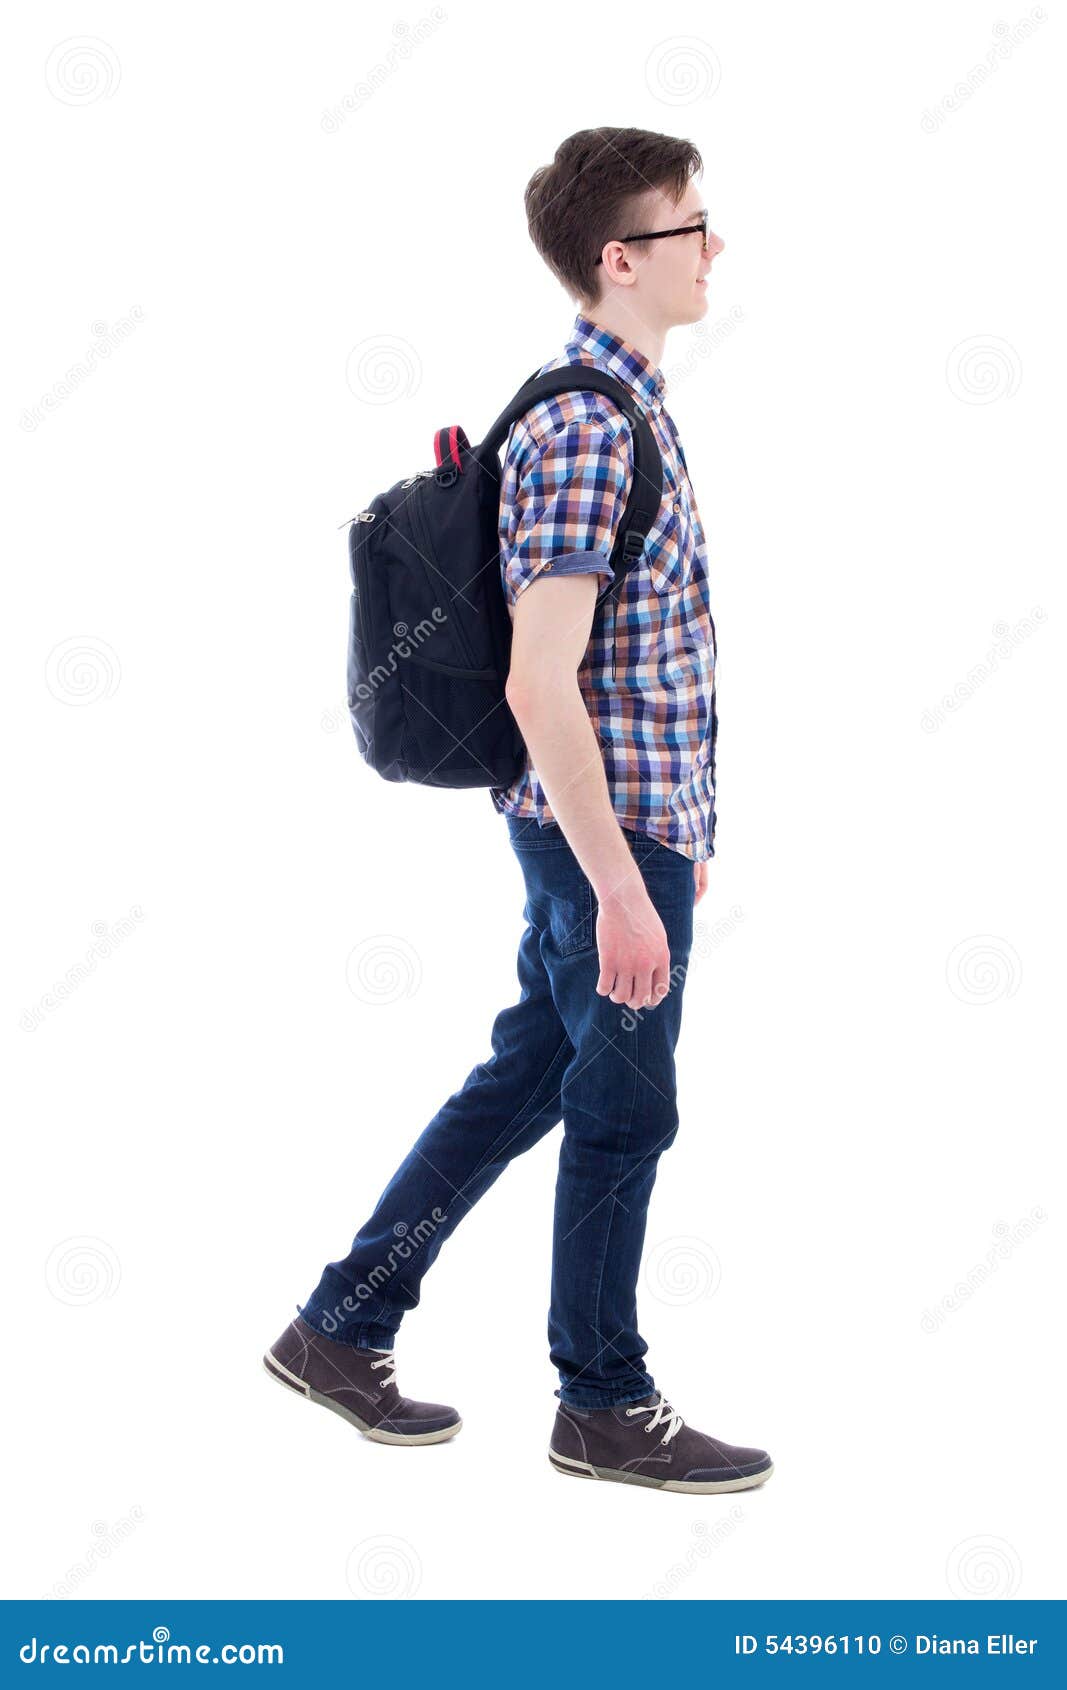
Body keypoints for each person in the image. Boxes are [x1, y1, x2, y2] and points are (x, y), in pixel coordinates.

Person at [264, 127, 774, 1495]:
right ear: (622, 259)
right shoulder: (583, 428)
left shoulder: (622, 407)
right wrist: (620, 882)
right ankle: (603, 1400)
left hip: (625, 830)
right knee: (622, 1112)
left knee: (530, 1081)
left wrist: (673, 841)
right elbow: (542, 685)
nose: (714, 247)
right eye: (691, 228)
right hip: (595, 839)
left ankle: (339, 1325)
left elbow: (636, 665)